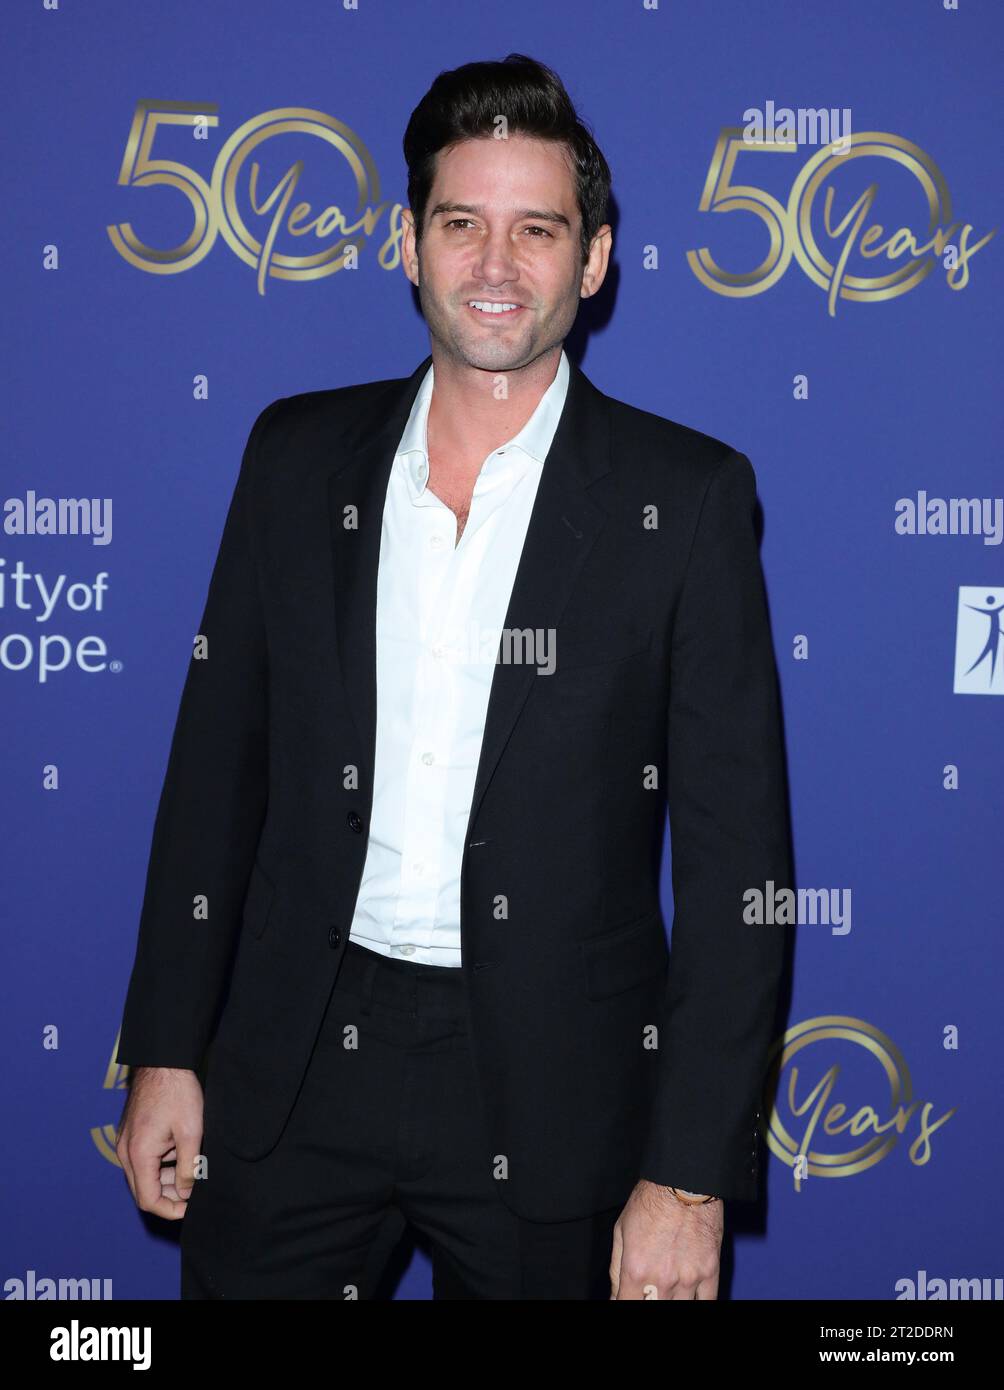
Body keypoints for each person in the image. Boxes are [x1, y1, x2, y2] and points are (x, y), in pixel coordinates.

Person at [115, 52, 792, 1301]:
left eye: (536, 230)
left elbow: (737, 867)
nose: (495, 266)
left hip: (553, 1081)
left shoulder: (684, 499)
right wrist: (162, 1044)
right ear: (405, 244)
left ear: (591, 261)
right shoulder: (294, 457)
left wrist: (687, 1178)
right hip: (295, 1063)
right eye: (461, 225)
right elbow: (213, 778)